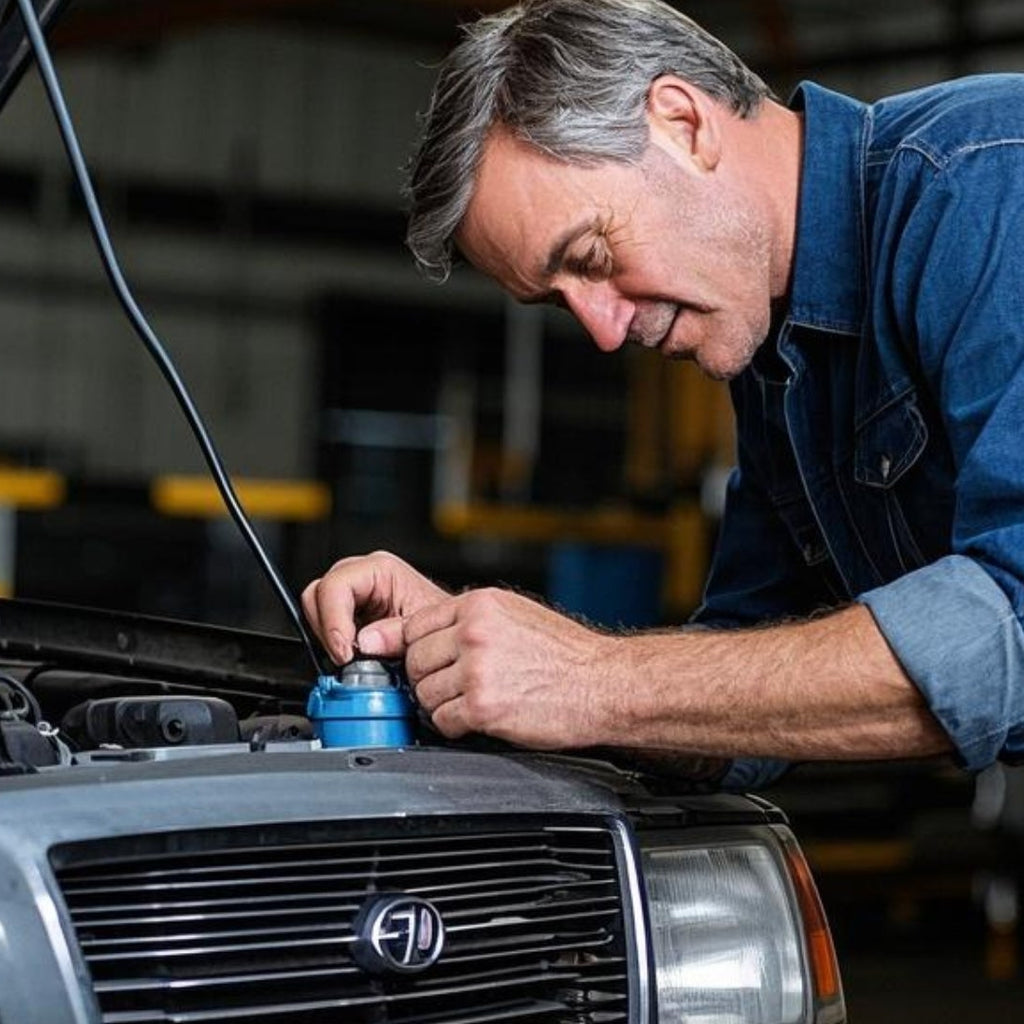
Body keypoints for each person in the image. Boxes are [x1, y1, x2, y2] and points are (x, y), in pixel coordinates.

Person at [302, 0, 1024, 790]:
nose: (605, 331)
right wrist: (460, 652)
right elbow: (730, 715)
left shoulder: (984, 189)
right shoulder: (778, 348)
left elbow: (1011, 629)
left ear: (683, 123)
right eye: (558, 301)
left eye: (591, 253)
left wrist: (591, 678)